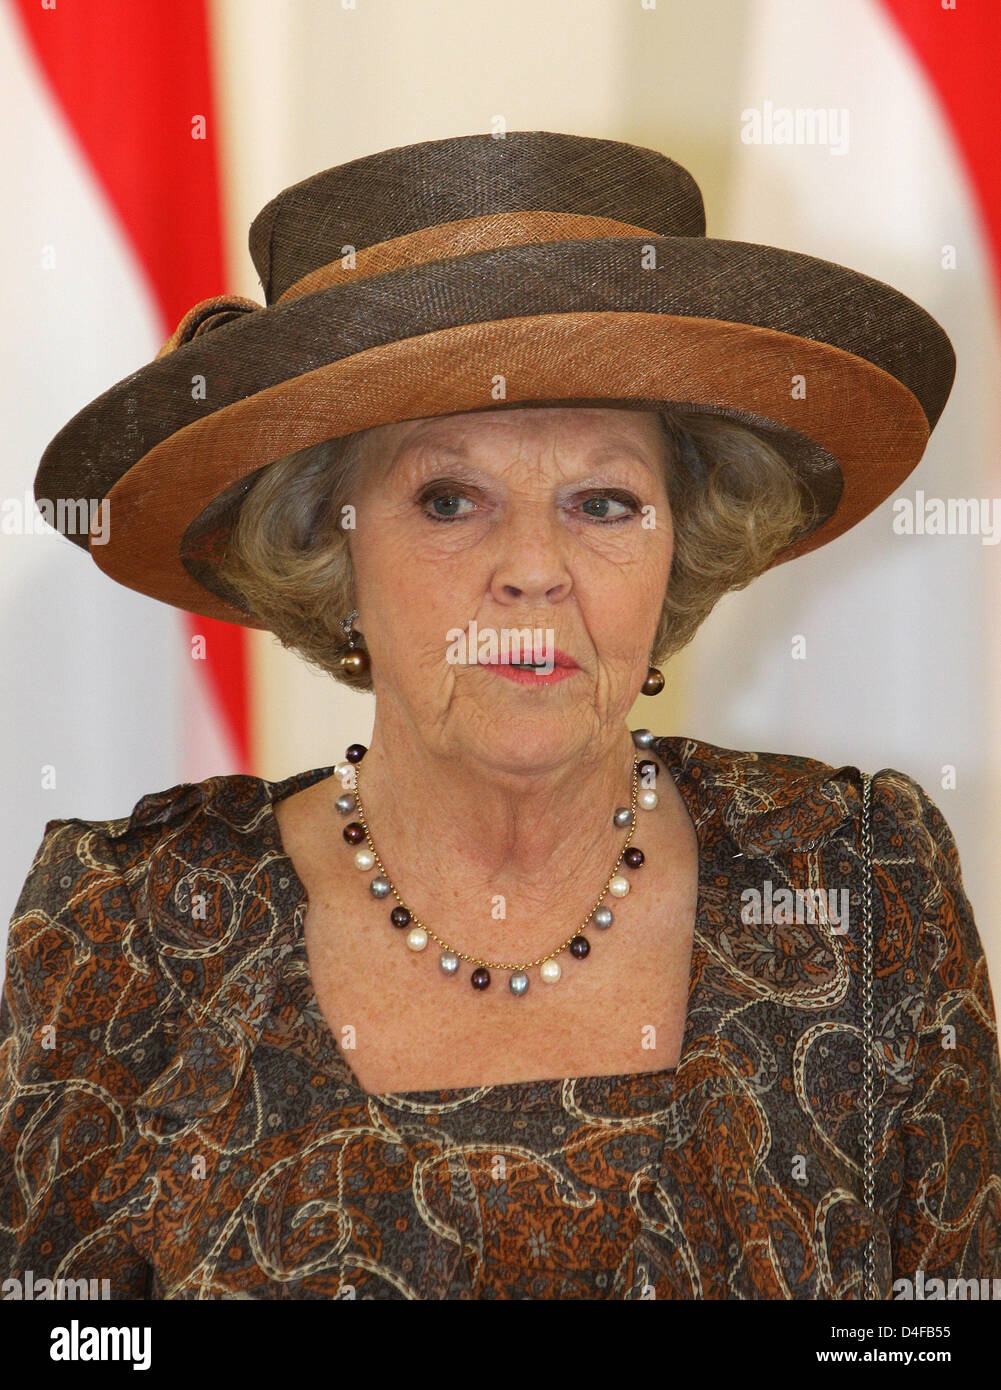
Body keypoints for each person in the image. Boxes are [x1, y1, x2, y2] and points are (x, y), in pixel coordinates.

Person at [1, 131, 998, 1301]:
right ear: (329, 541)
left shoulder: (858, 883)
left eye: (602, 500)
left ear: (678, 543)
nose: (533, 568)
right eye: (447, 496)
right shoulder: (137, 932)